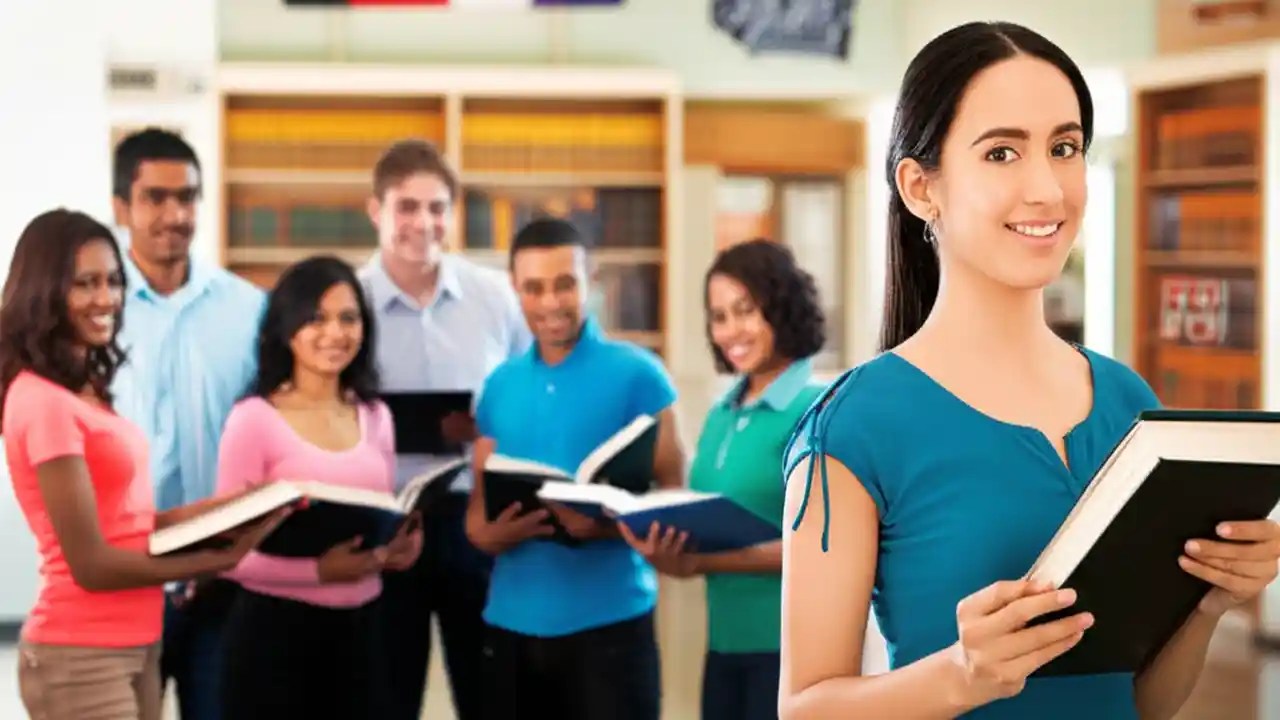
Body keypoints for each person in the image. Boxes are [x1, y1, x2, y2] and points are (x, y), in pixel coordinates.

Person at [777, 21, 1280, 720]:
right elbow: (803, 708)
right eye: (1002, 152)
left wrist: (1210, 604)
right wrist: (963, 674)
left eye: (1064, 148)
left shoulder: (1130, 405)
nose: (1046, 187)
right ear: (921, 188)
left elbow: (1143, 701)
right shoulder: (855, 424)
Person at [0, 209, 284, 720]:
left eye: (113, 281)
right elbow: (92, 565)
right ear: (43, 292)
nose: (106, 298)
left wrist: (232, 509)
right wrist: (215, 561)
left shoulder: (83, 391)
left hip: (136, 642)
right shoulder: (40, 401)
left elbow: (127, 530)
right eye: (86, 283)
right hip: (81, 655)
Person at [466, 217, 687, 720]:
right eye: (533, 288)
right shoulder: (499, 386)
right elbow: (476, 524)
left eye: (565, 284)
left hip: (611, 630)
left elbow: (677, 501)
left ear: (591, 282)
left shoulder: (641, 375)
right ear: (515, 290)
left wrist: (608, 527)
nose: (550, 303)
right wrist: (500, 532)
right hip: (510, 630)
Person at [359, 138, 532, 720]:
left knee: (489, 692)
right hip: (383, 520)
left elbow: (527, 396)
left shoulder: (494, 296)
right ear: (375, 211)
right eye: (407, 207)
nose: (423, 223)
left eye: (437, 208)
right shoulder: (346, 302)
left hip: (474, 516)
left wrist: (486, 426)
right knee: (386, 694)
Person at [620, 238, 826, 720]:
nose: (731, 330)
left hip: (790, 654)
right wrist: (671, 548)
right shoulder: (720, 414)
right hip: (723, 647)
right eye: (719, 316)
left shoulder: (817, 409)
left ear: (781, 308)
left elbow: (823, 546)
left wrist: (705, 561)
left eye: (745, 310)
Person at [215, 255, 423, 718]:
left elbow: (373, 520)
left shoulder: (376, 417)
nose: (335, 333)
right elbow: (224, 556)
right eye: (316, 318)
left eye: (348, 318)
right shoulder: (253, 420)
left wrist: (396, 549)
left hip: (364, 634)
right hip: (276, 639)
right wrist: (318, 573)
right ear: (286, 327)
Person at [109, 127, 267, 720]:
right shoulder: (94, 310)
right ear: (121, 206)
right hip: (124, 580)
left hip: (221, 581)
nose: (175, 214)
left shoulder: (249, 310)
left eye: (189, 197)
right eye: (155, 197)